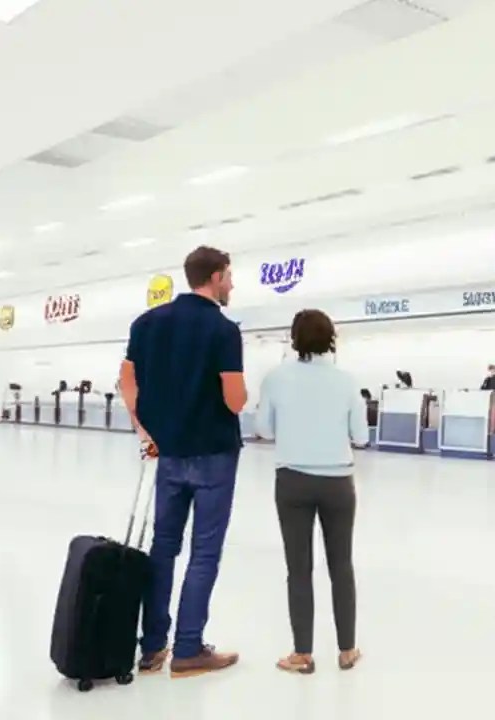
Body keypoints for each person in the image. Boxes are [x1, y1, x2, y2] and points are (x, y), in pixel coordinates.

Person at [119, 246, 246, 678]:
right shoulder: (224, 330)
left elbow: (126, 380)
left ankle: (152, 646)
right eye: (229, 276)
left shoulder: (146, 323)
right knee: (204, 553)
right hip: (213, 455)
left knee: (163, 547)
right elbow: (234, 399)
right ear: (213, 277)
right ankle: (189, 648)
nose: (231, 284)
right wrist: (240, 396)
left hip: (168, 456)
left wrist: (144, 429)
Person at [255, 309, 365, 674]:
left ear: (294, 339)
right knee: (341, 566)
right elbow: (361, 436)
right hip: (338, 483)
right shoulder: (347, 381)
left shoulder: (276, 378)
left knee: (298, 568)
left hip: (292, 481)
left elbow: (264, 430)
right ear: (331, 339)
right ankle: (347, 650)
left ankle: (302, 655)